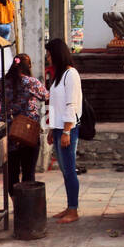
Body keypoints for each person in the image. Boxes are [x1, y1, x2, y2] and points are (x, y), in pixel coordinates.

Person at [46, 38, 82, 223]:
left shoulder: (71, 75)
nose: (48, 57)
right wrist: (52, 128)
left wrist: (67, 131)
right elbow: (54, 104)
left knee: (69, 169)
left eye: (50, 54)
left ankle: (74, 209)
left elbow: (71, 104)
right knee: (64, 169)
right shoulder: (58, 77)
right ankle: (69, 206)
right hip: (59, 127)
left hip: (68, 128)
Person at [3, 53, 49, 190]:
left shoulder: (2, 82)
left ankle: (15, 202)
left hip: (9, 132)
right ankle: (26, 205)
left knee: (12, 172)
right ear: (28, 66)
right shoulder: (32, 82)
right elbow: (45, 96)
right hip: (28, 132)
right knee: (28, 172)